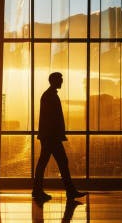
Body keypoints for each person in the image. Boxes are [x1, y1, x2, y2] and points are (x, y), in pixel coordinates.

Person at [32, 72, 87, 203]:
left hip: (49, 137)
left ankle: (39, 190)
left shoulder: (49, 95)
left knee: (47, 163)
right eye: (60, 80)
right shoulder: (50, 96)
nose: (62, 82)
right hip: (51, 137)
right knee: (60, 162)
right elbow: (52, 119)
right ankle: (69, 191)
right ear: (54, 81)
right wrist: (57, 135)